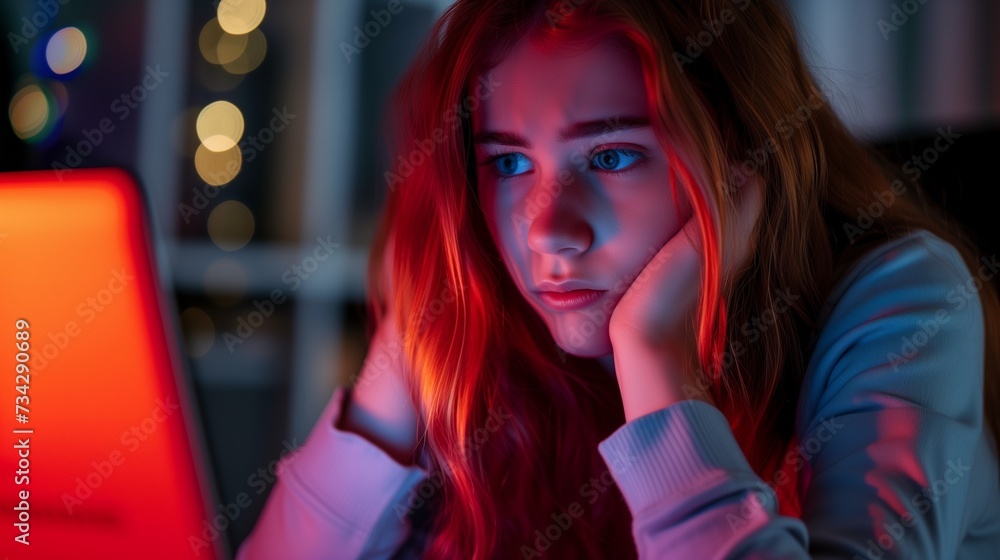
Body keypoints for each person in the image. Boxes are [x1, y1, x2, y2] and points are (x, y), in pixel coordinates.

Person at [237, 0, 1000, 558]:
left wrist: (654, 358)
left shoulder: (904, 296)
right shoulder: (500, 320)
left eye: (609, 157)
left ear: (741, 165)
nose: (546, 231)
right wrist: (409, 344)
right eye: (507, 163)